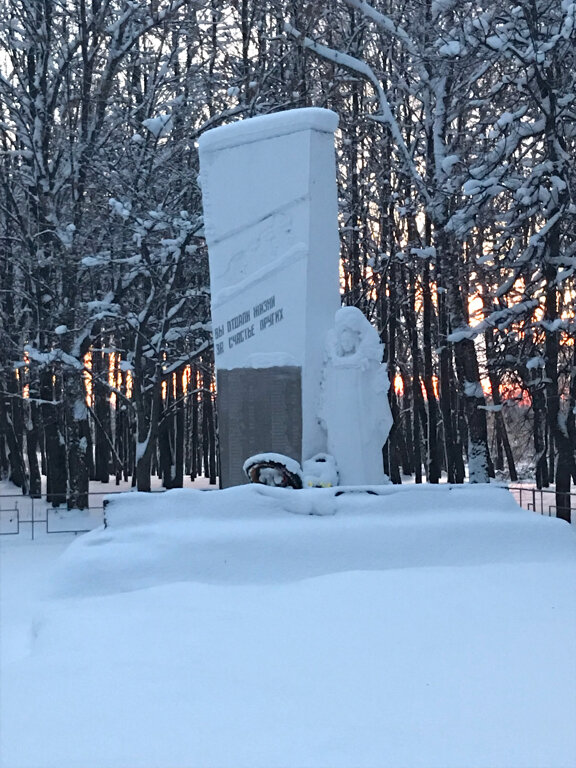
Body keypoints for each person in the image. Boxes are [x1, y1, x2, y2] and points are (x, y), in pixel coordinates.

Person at [319, 307, 392, 485]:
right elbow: (328, 391)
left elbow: (374, 390)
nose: (346, 344)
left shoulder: (365, 364)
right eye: (342, 340)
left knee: (363, 452)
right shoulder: (335, 366)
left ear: (355, 340)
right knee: (344, 452)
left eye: (349, 340)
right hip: (341, 419)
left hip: (360, 416)